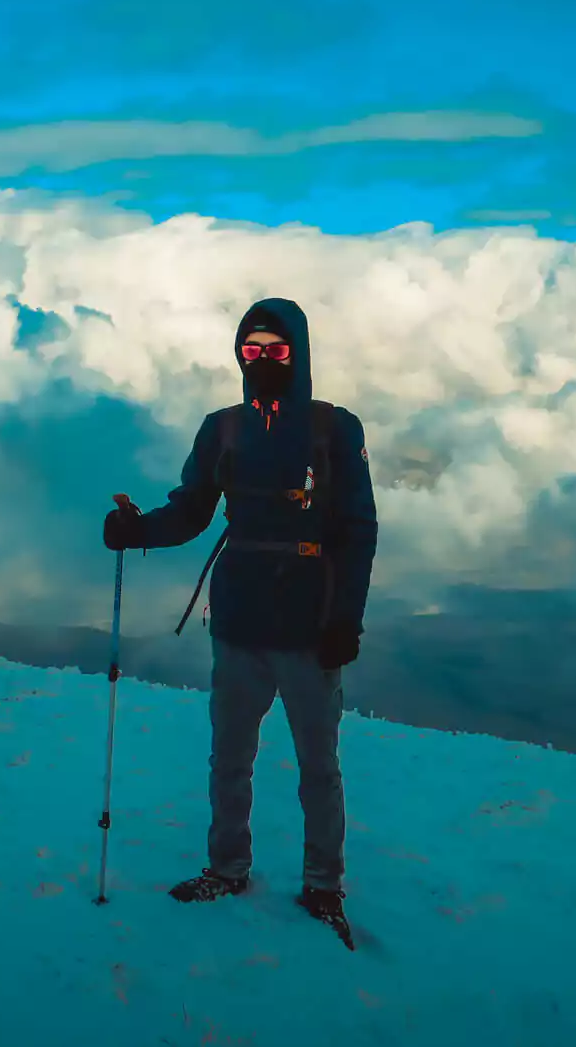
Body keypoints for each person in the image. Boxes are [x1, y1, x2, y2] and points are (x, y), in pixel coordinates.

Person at [102, 296, 377, 947]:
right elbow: (192, 509)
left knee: (317, 763)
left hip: (310, 627)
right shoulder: (221, 429)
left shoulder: (333, 429)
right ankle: (228, 867)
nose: (260, 358)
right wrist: (135, 529)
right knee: (231, 755)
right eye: (250, 347)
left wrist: (346, 619)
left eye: (274, 348)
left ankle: (322, 882)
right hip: (239, 622)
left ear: (298, 351)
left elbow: (357, 529)